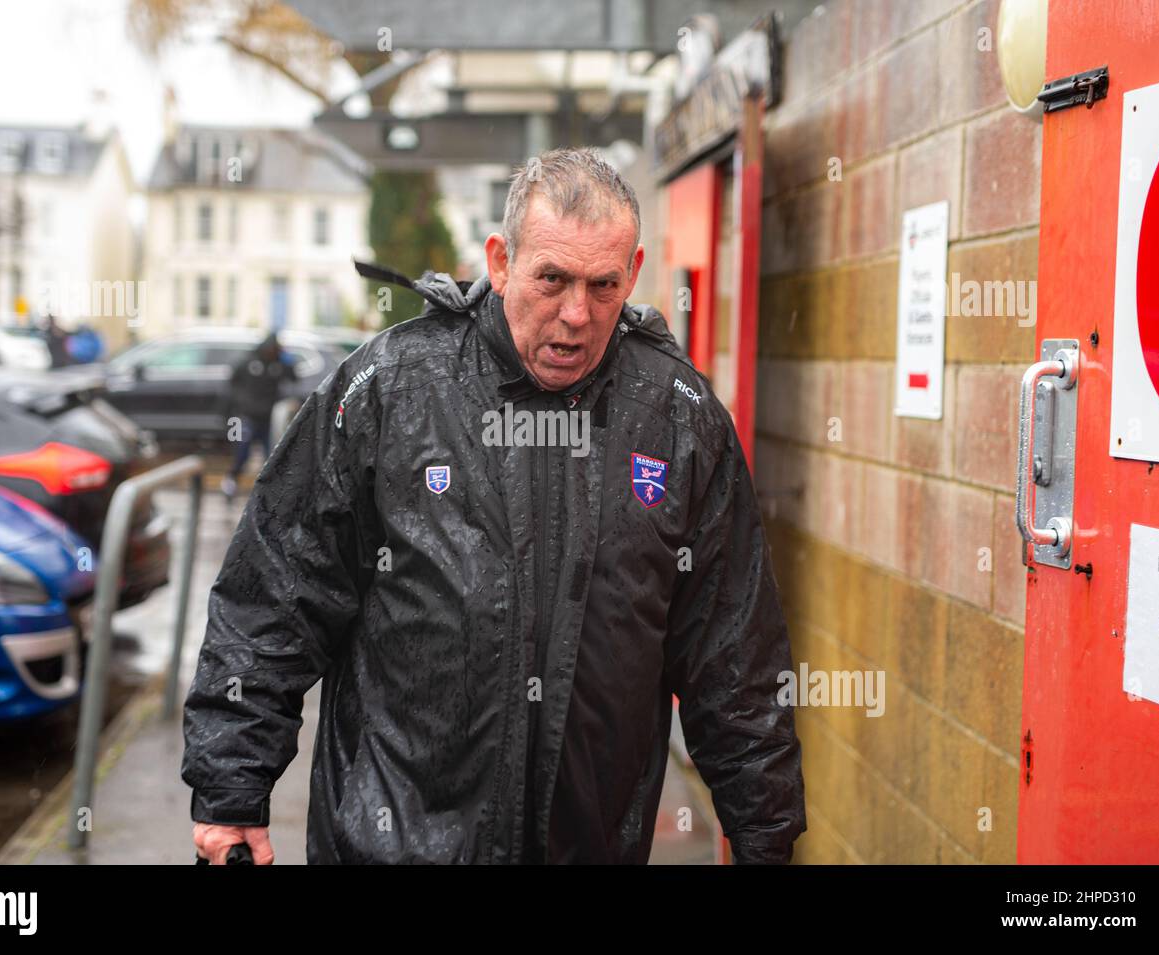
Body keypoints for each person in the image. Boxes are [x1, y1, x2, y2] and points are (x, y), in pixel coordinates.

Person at [182, 147, 806, 865]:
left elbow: (735, 655)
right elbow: (273, 596)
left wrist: (765, 835)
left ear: (633, 274)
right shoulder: (390, 391)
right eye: (553, 279)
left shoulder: (679, 418)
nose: (577, 314)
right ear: (501, 261)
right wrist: (232, 791)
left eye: (603, 285)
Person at [219, 333, 295, 499]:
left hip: (267, 418)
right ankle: (230, 482)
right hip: (243, 417)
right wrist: (231, 415)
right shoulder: (248, 362)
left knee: (271, 455)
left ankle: (267, 492)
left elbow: (293, 379)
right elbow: (231, 386)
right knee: (241, 452)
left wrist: (288, 361)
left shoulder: (278, 365)